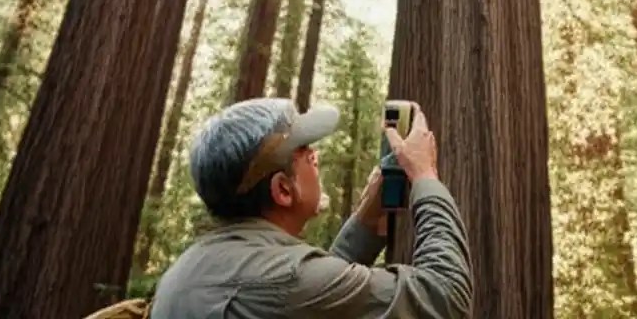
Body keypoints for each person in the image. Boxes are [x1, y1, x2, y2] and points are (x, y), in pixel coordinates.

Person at [149, 98, 472, 318]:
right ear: (283, 190)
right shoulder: (281, 280)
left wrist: (367, 220)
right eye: (304, 151)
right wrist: (424, 174)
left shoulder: (197, 266)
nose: (315, 156)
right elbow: (445, 297)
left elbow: (311, 295)